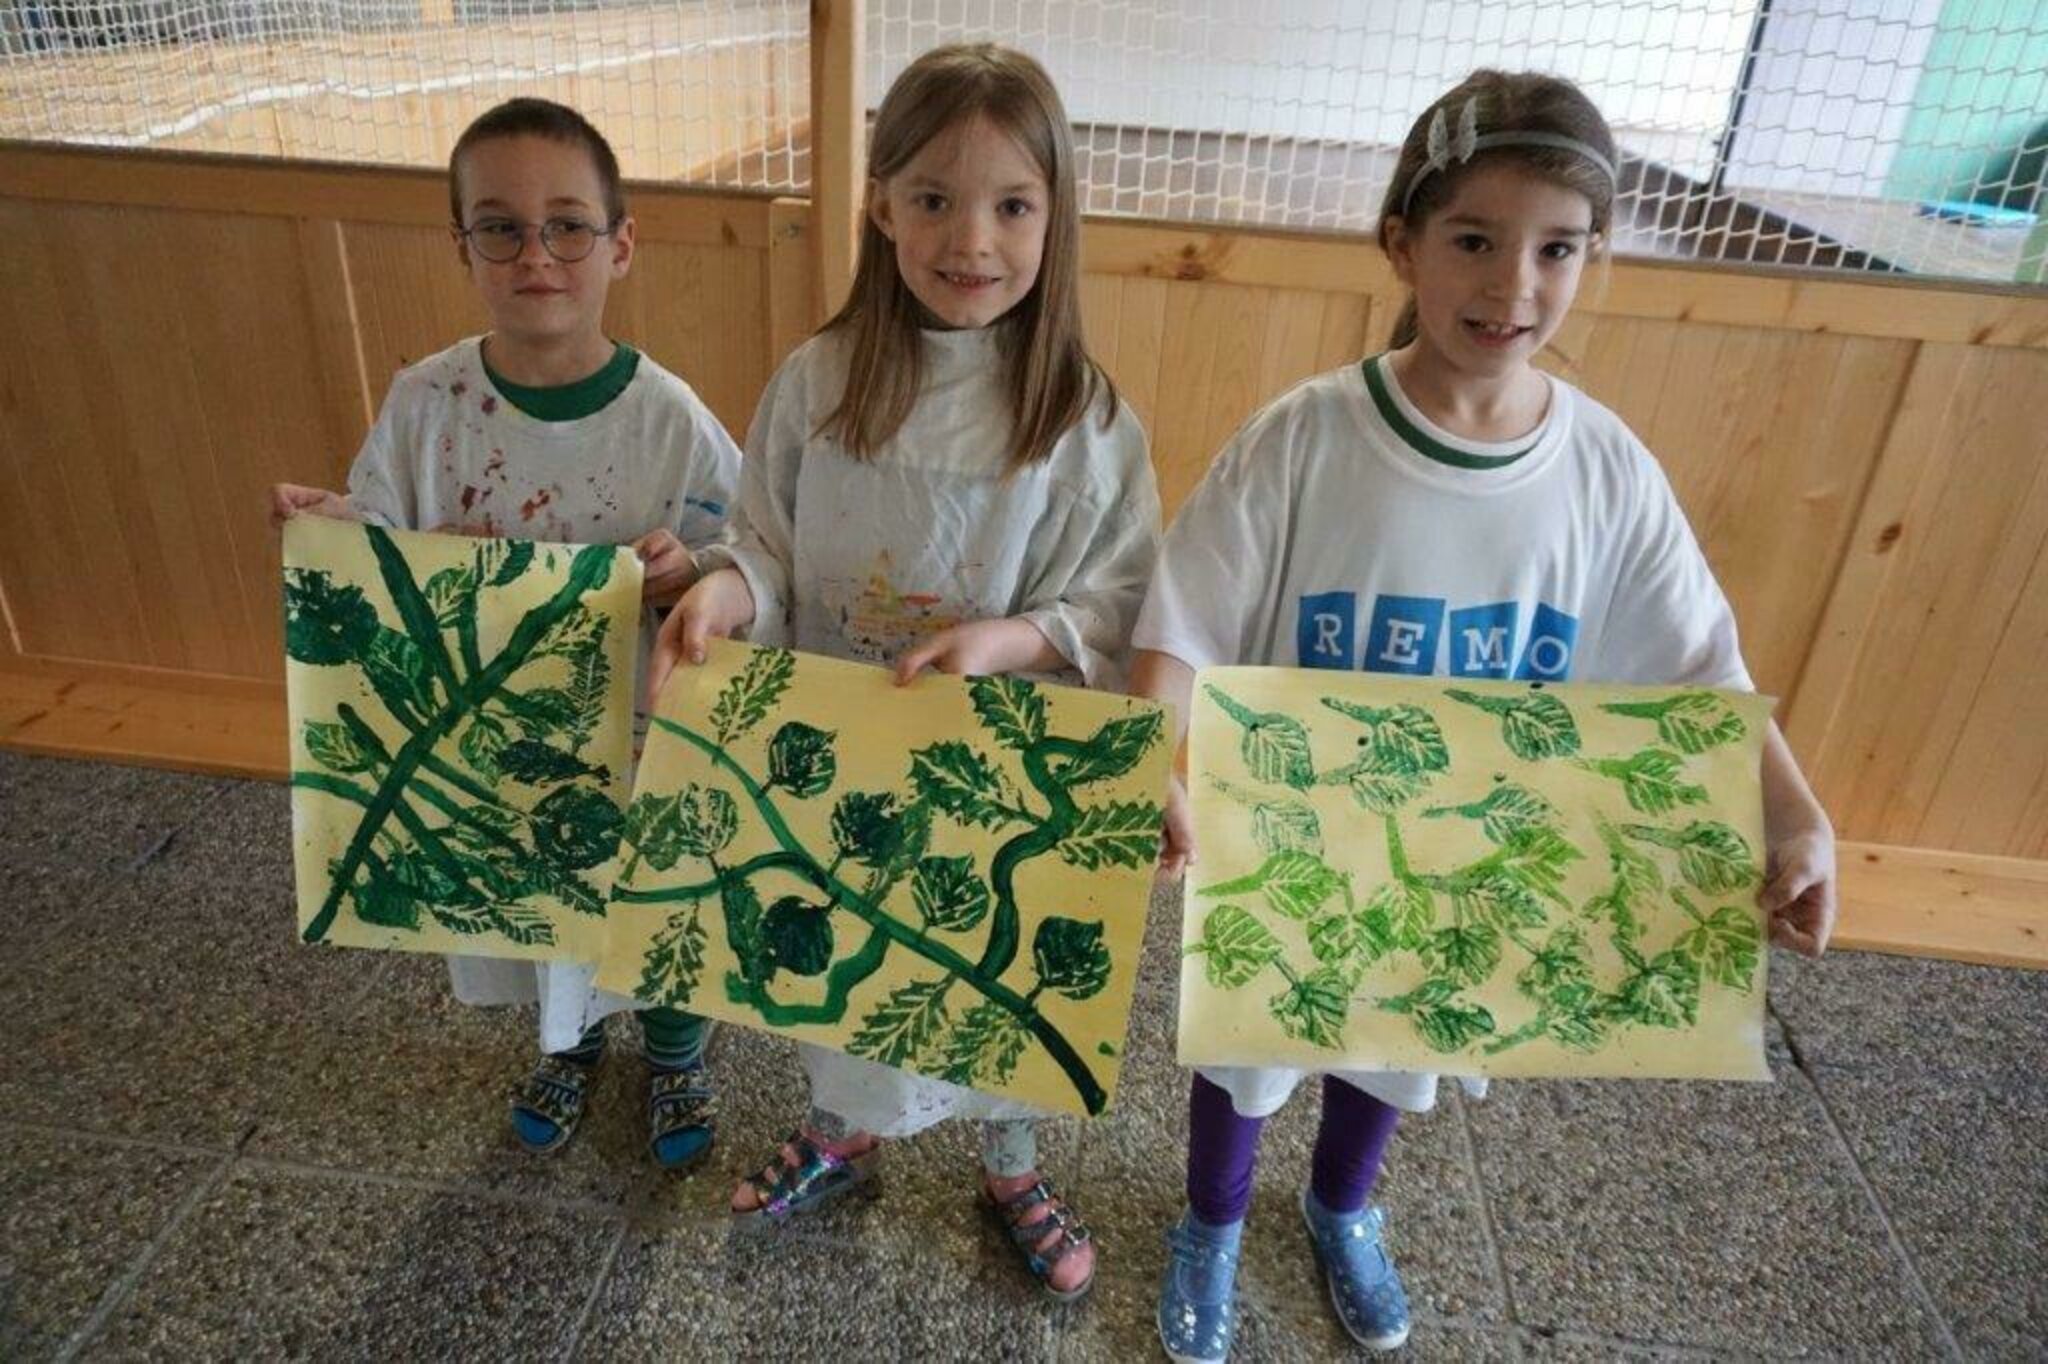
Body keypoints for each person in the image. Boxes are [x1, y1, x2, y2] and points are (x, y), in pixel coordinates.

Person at [1130, 70, 1839, 1359]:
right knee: (1242, 1062)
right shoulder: (1302, 440)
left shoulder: (1607, 473)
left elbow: (1702, 673)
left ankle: (1344, 1208)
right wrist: (1150, 755)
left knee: (1393, 1054)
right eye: (1473, 240)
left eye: (1557, 248)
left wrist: (1794, 816)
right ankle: (1210, 1225)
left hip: (1463, 865)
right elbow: (1180, 619)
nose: (1514, 287)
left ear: (1593, 256)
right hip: (1285, 860)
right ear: (1399, 242)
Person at [646, 44, 1160, 1301]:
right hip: (845, 751)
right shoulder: (820, 381)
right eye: (931, 197)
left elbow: (1119, 590)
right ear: (878, 205)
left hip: (997, 765)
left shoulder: (1079, 413)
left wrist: (1015, 639)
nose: (969, 238)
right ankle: (842, 1126)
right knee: (847, 963)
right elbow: (763, 538)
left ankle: (1010, 1155)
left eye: (1010, 205)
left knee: (995, 969)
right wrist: (725, 589)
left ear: (1056, 215)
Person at [269, 97, 740, 1173]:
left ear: (619, 244)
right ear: (464, 247)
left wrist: (692, 571)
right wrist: (340, 539)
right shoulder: (426, 405)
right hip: (489, 739)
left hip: (633, 737)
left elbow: (747, 557)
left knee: (650, 892)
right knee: (529, 902)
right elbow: (379, 544)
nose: (537, 253)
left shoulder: (667, 417)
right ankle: (566, 1044)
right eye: (501, 226)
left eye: (569, 224)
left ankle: (675, 1050)